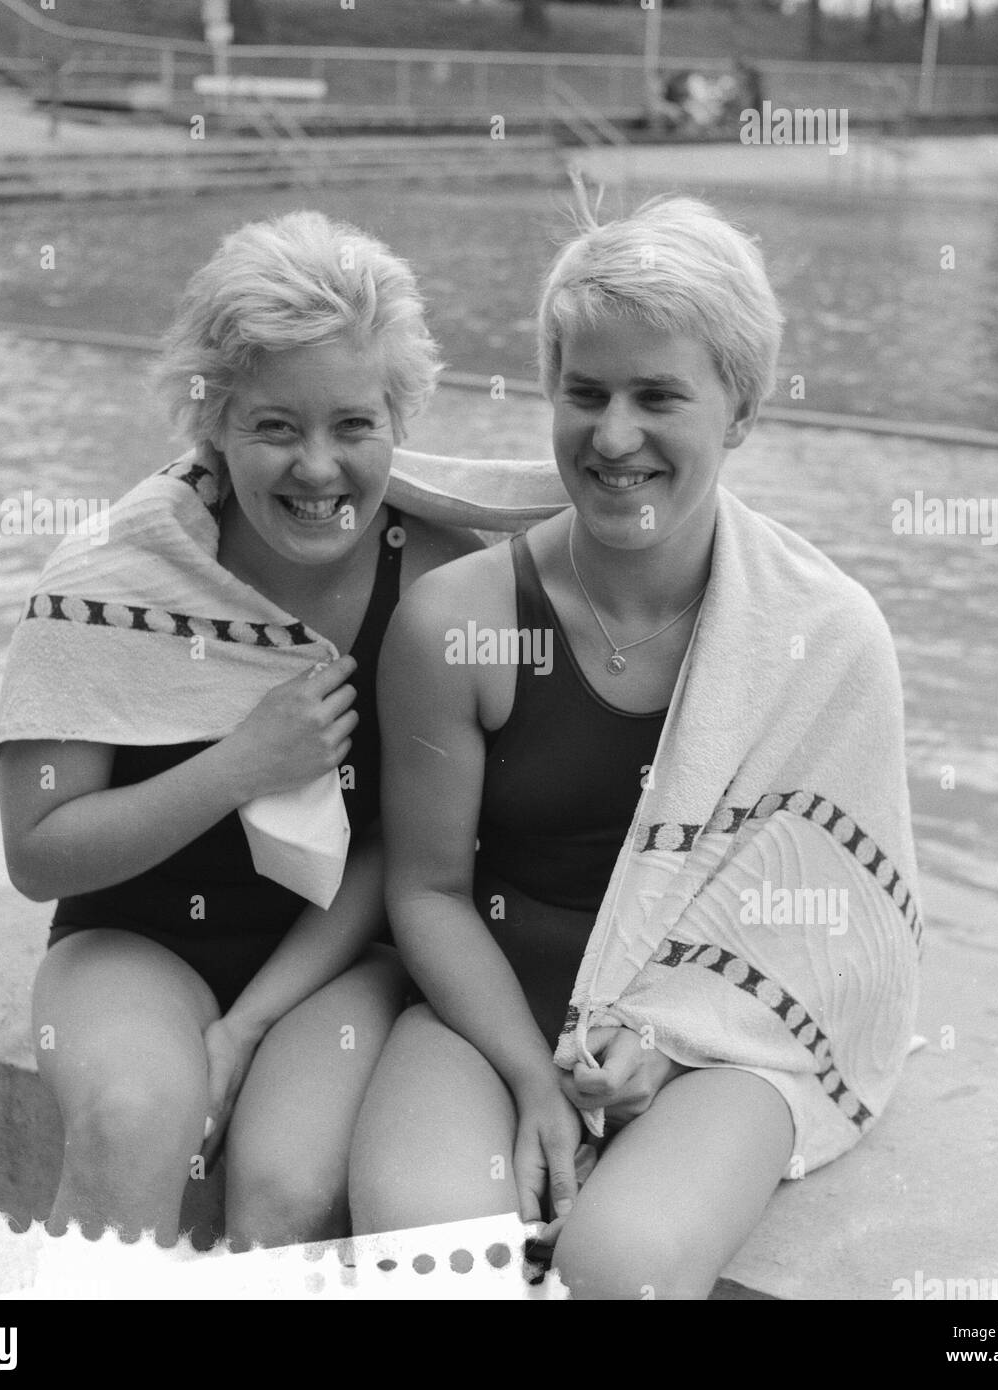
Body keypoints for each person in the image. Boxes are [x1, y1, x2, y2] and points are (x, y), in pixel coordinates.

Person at [350, 195, 922, 1299]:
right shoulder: (454, 621)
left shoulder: (825, 635)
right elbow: (424, 891)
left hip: (722, 1038)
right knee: (426, 1252)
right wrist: (527, 1076)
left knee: (623, 1265)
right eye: (584, 394)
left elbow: (836, 928)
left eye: (657, 396)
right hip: (495, 1003)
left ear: (741, 409)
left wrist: (668, 1035)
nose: (613, 437)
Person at [0, 210, 478, 1250]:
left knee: (292, 1187)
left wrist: (248, 1022)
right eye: (274, 426)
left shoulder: (440, 573)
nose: (317, 468)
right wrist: (240, 764)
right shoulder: (115, 576)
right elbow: (37, 852)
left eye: (353, 424)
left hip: (339, 953)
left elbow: (409, 844)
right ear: (210, 419)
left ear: (400, 413)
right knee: (132, 1119)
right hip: (133, 936)